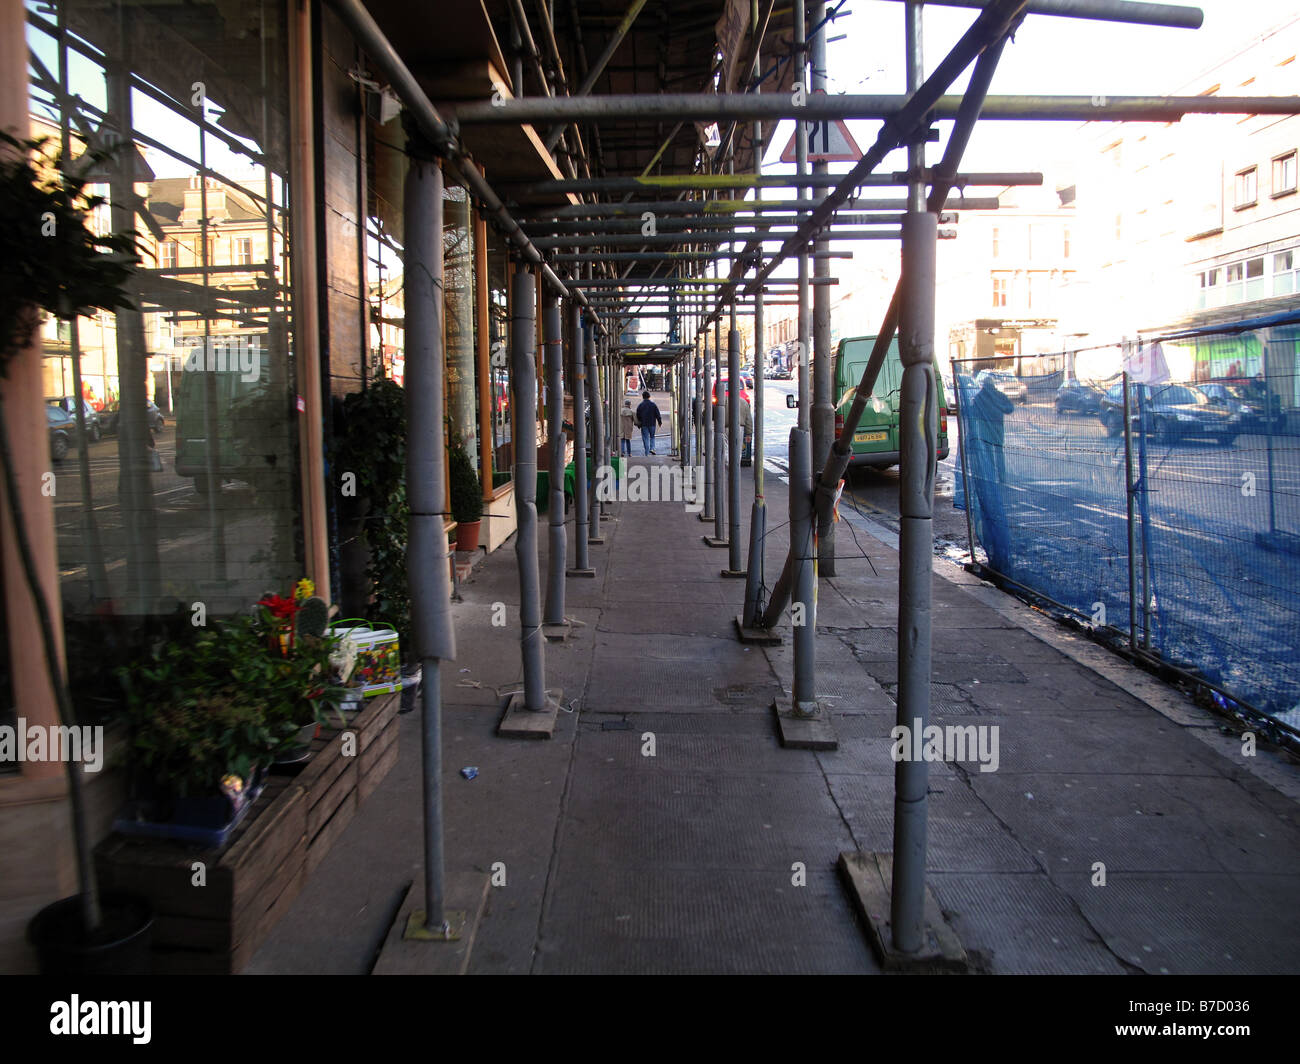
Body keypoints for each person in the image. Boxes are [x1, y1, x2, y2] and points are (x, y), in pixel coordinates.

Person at [635, 389, 661, 455]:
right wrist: (659, 421)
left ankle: (646, 452)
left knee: (645, 438)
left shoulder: (640, 405)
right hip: (652, 423)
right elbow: (657, 414)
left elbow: (637, 415)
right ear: (649, 396)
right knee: (652, 436)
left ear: (643, 397)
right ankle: (652, 448)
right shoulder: (653, 405)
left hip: (644, 424)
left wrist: (639, 423)